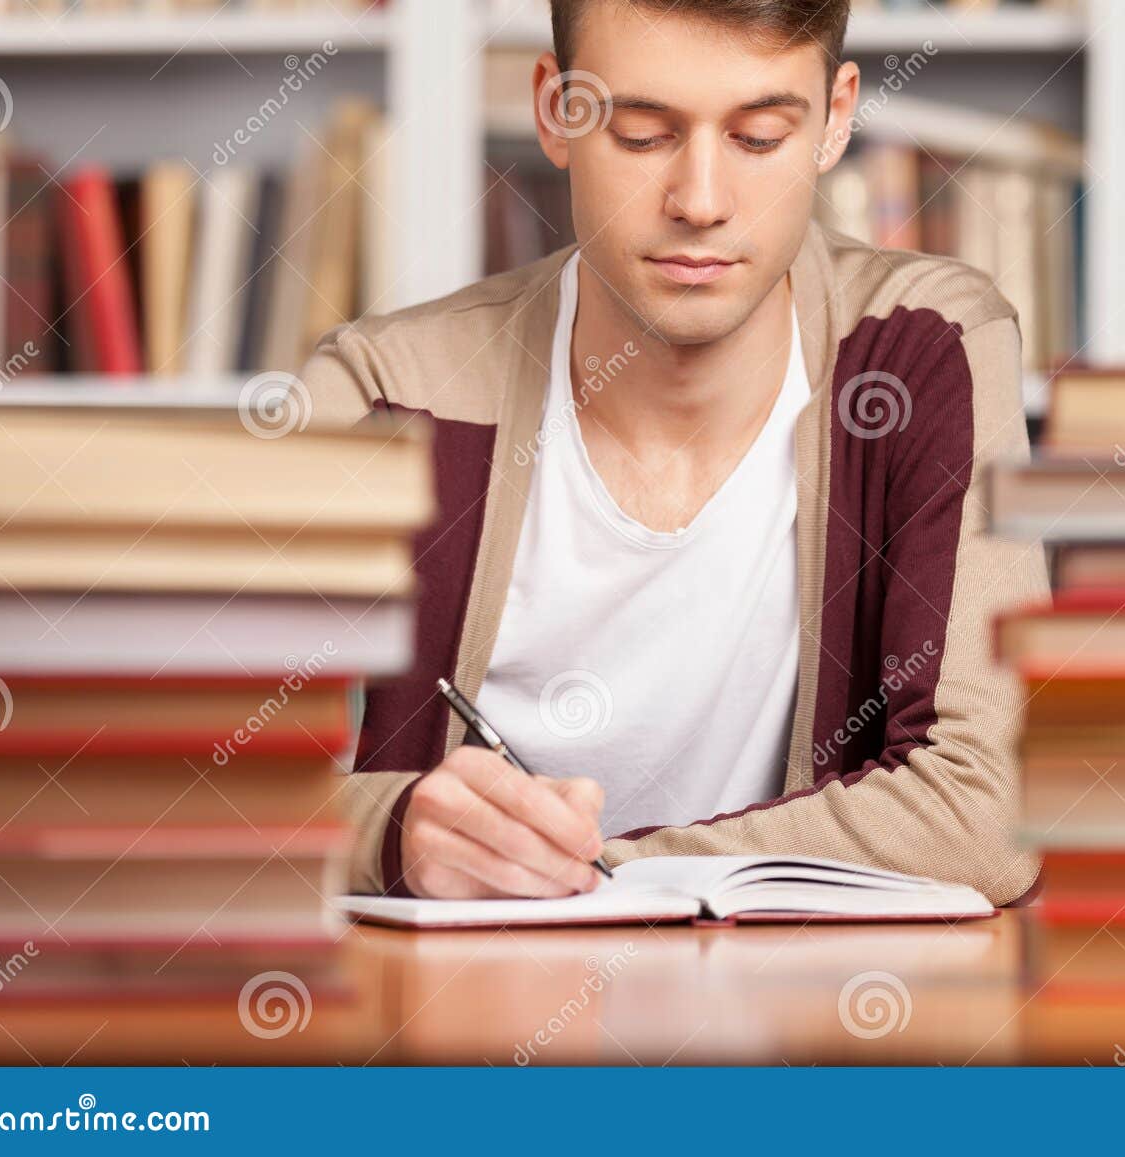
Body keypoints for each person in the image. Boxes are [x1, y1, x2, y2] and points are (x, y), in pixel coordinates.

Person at [303, 0, 1048, 905]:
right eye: (645, 134)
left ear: (836, 119)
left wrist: (596, 875)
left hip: (815, 1030)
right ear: (557, 111)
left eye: (761, 138)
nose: (700, 202)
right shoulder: (384, 391)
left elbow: (988, 810)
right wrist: (393, 833)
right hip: (456, 1029)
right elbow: (185, 796)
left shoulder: (925, 347)